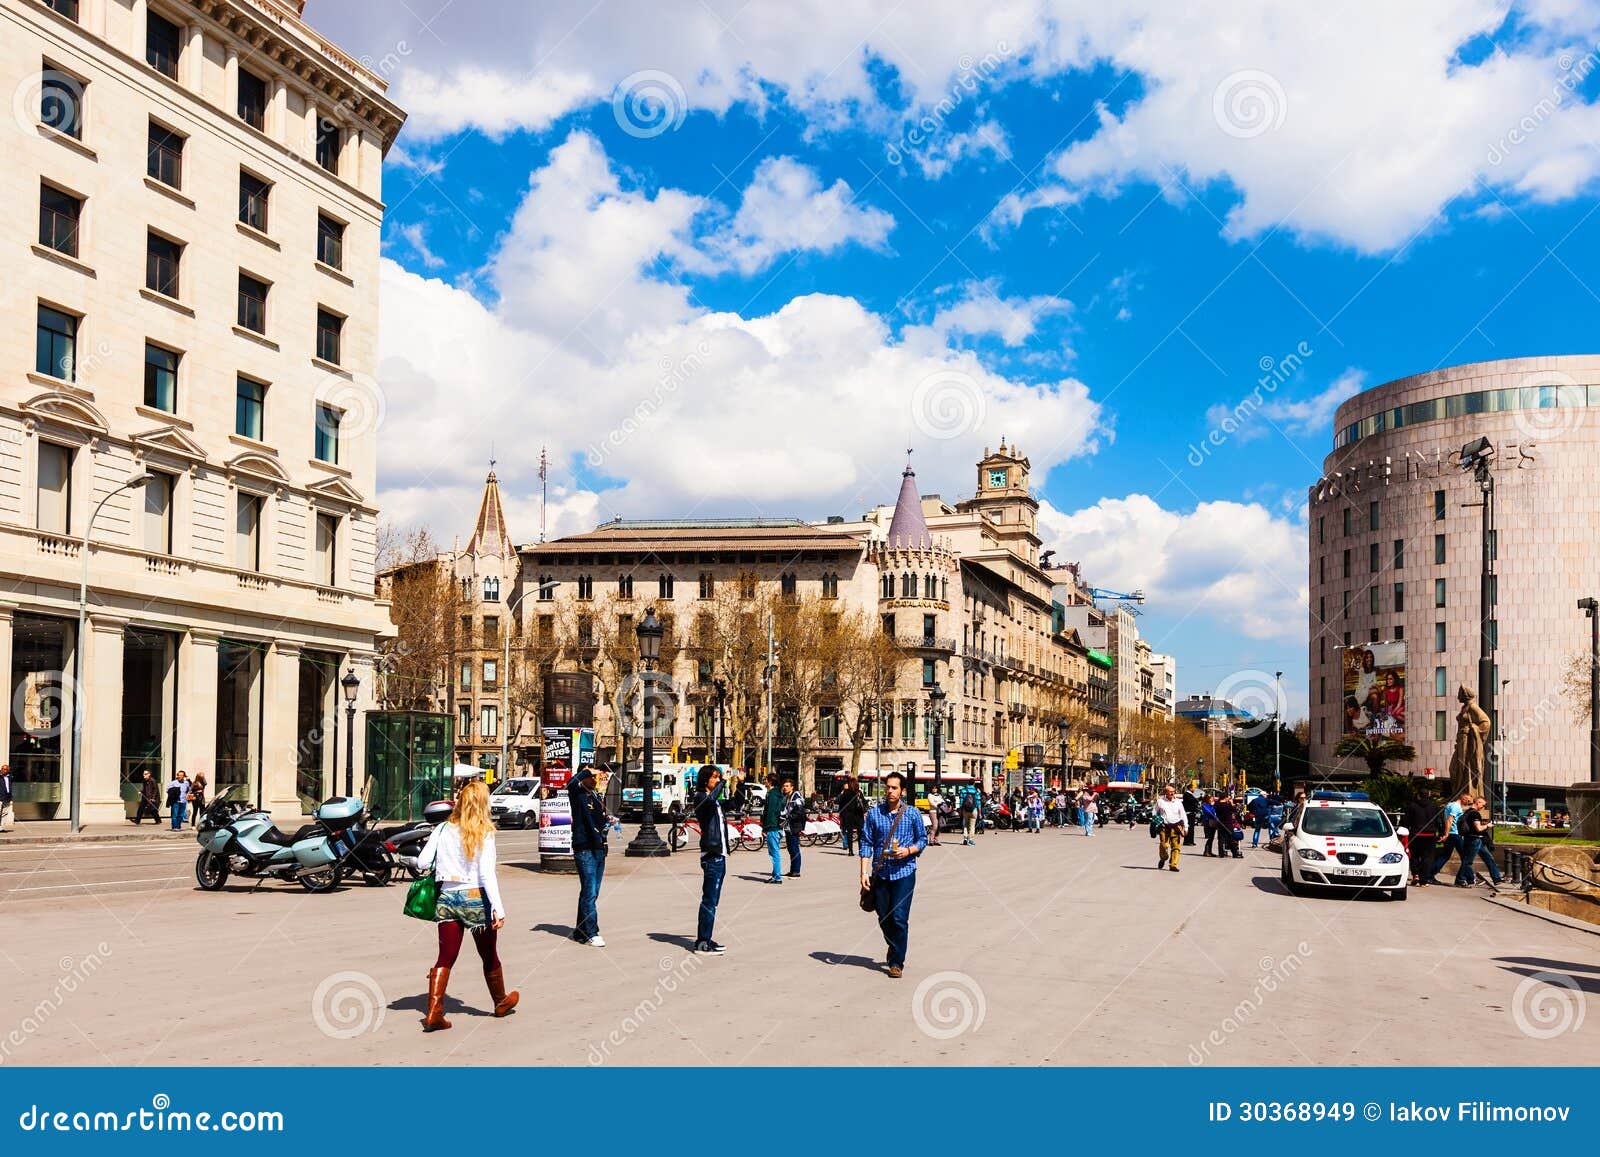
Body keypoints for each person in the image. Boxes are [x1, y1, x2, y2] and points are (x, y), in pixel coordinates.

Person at [417, 779, 516, 1031]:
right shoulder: (485, 832)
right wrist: (498, 908)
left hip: (447, 896)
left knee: (445, 957)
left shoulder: (441, 829)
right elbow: (486, 874)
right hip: (475, 897)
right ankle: (500, 1001)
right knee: (488, 954)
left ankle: (434, 1012)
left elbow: (422, 862)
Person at [859, 770, 928, 978]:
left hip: (904, 872)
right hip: (881, 873)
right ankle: (894, 944)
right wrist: (863, 872)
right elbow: (865, 842)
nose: (889, 791)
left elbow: (922, 840)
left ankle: (897, 961)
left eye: (894, 788)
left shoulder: (913, 814)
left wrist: (908, 851)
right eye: (887, 787)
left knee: (899, 917)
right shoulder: (874, 814)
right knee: (883, 917)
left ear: (902, 791)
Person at [690, 766, 746, 953]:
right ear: (705, 780)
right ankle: (702, 942)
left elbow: (737, 802)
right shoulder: (700, 798)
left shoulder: (715, 803)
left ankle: (706, 937)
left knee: (714, 901)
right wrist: (723, 782)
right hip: (711, 854)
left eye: (718, 777)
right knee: (709, 900)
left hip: (720, 855)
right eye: (714, 777)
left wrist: (739, 783)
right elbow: (710, 799)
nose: (717, 780)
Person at [568, 766, 611, 946]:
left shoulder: (595, 795)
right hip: (584, 847)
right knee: (590, 891)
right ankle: (593, 932)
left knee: (591, 892)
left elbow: (598, 819)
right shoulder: (577, 793)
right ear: (583, 777)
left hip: (599, 847)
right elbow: (570, 783)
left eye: (596, 777)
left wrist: (608, 821)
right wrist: (586, 771)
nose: (595, 780)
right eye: (591, 777)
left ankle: (580, 930)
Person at [1458, 796, 1503, 890]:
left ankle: (1497, 878)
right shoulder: (1475, 814)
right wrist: (1488, 825)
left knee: (1489, 858)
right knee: (1468, 862)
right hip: (1474, 840)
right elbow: (1478, 828)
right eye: (1483, 804)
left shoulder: (1468, 812)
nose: (1483, 806)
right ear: (1478, 802)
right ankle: (1461, 879)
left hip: (1473, 839)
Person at [1431, 790, 1472, 880]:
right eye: (1468, 801)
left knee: (1445, 855)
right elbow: (1450, 820)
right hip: (1454, 834)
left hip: (1451, 833)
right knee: (1465, 857)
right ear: (1463, 798)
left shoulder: (1450, 805)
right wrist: (1446, 834)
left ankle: (1430, 874)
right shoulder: (1455, 807)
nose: (1468, 803)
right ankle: (1464, 878)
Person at [1402, 790, 1440, 887]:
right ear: (1428, 795)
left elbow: (1406, 821)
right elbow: (1439, 821)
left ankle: (1416, 875)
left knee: (1414, 856)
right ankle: (1424, 880)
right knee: (1427, 858)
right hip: (1430, 835)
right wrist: (1442, 833)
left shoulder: (1412, 806)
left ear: (1418, 796)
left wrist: (1404, 831)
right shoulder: (1434, 806)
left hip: (1416, 834)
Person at [1155, 784, 1187, 872]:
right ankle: (1163, 858)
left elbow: (1183, 814)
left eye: (1173, 792)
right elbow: (1154, 813)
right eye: (1170, 792)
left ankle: (1173, 864)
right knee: (1164, 845)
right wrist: (1156, 821)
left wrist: (1186, 827)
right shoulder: (1160, 801)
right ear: (1166, 793)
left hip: (1177, 826)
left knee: (1176, 847)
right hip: (1164, 826)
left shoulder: (1178, 802)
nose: (1172, 794)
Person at [761, 773, 786, 884]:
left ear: (770, 782)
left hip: (773, 827)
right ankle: (775, 875)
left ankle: (777, 877)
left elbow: (770, 813)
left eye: (766, 779)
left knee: (774, 853)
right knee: (775, 852)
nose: (764, 780)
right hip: (778, 826)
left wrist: (766, 828)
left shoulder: (771, 795)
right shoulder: (778, 794)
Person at [835, 777, 866, 856]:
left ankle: (850, 851)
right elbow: (864, 803)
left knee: (849, 833)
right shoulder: (859, 792)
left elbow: (840, 803)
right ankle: (860, 850)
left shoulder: (845, 793)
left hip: (848, 816)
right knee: (860, 833)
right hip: (858, 815)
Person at [782, 777, 806, 878]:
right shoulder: (788, 796)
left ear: (792, 787)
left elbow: (800, 812)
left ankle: (796, 871)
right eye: (784, 786)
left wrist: (789, 816)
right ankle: (793, 870)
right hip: (789, 826)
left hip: (794, 826)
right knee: (790, 849)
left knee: (794, 848)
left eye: (787, 786)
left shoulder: (796, 796)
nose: (785, 788)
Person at [1199, 791, 1219, 856]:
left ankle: (1209, 851)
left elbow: (1214, 811)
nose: (1212, 800)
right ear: (1207, 799)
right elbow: (1209, 812)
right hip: (1208, 821)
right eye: (1211, 799)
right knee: (1210, 837)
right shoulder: (1204, 805)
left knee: (1212, 837)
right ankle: (1206, 851)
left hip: (1213, 821)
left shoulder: (1211, 805)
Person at [0, 764, 11, 833]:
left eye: (6, 769)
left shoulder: (9, 777)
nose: (5, 770)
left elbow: (9, 787)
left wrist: (11, 796)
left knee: (5, 813)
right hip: (0, 797)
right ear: (1, 769)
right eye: (3, 769)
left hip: (7, 797)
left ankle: (1, 828)